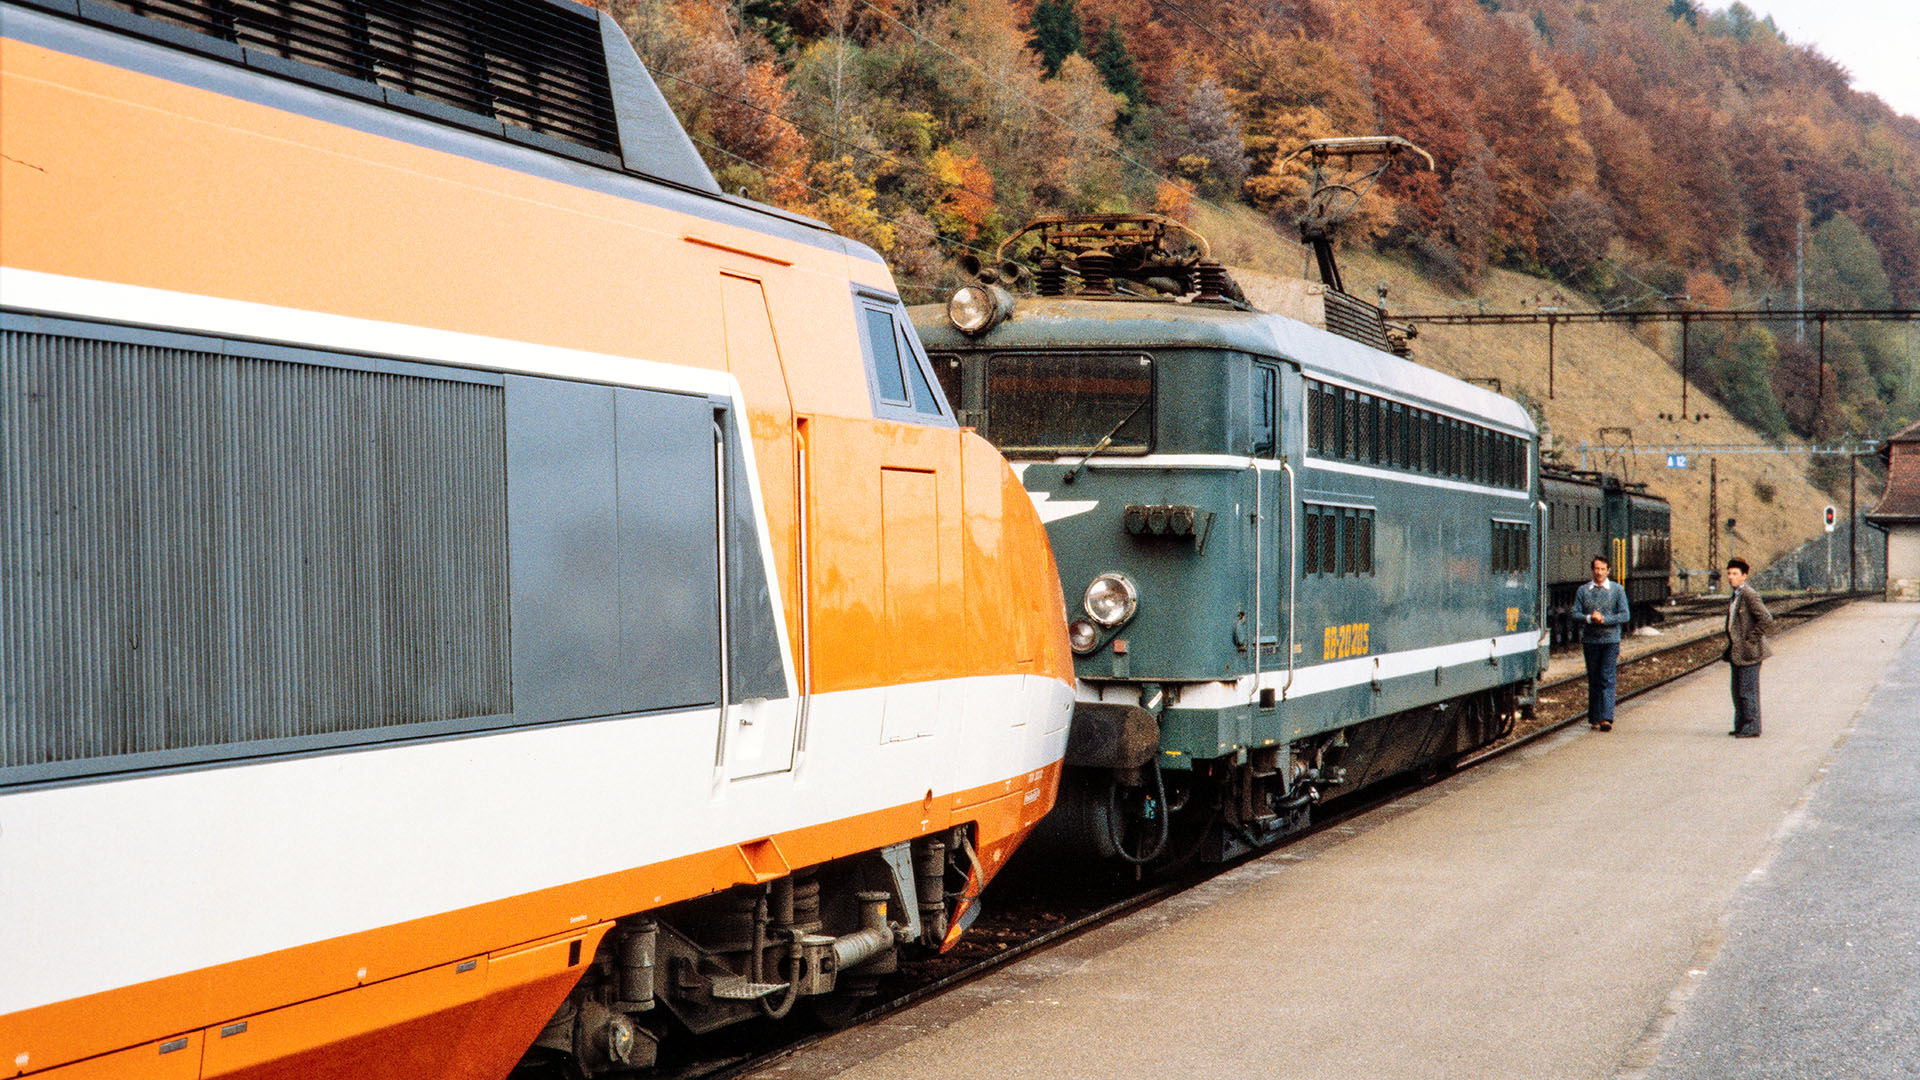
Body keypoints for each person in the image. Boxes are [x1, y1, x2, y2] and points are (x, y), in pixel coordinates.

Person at [1573, 554, 1632, 731]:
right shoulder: (1583, 591)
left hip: (1610, 640)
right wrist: (1590, 618)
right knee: (1594, 678)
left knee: (1607, 677)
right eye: (1596, 569)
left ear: (1608, 571)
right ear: (1592, 570)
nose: (1599, 572)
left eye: (1602, 569)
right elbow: (1574, 613)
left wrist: (1604, 620)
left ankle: (1606, 717)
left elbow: (1625, 615)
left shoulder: (1617, 590)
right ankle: (1594, 717)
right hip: (1590, 641)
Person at [1724, 557, 1774, 737]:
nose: (1731, 577)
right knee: (1737, 691)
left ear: (1744, 576)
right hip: (1738, 652)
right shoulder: (1736, 595)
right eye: (1729, 574)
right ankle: (1741, 725)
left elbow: (1766, 619)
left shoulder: (1749, 595)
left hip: (1750, 652)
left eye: (1735, 574)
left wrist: (1750, 640)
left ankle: (1752, 727)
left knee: (1747, 691)